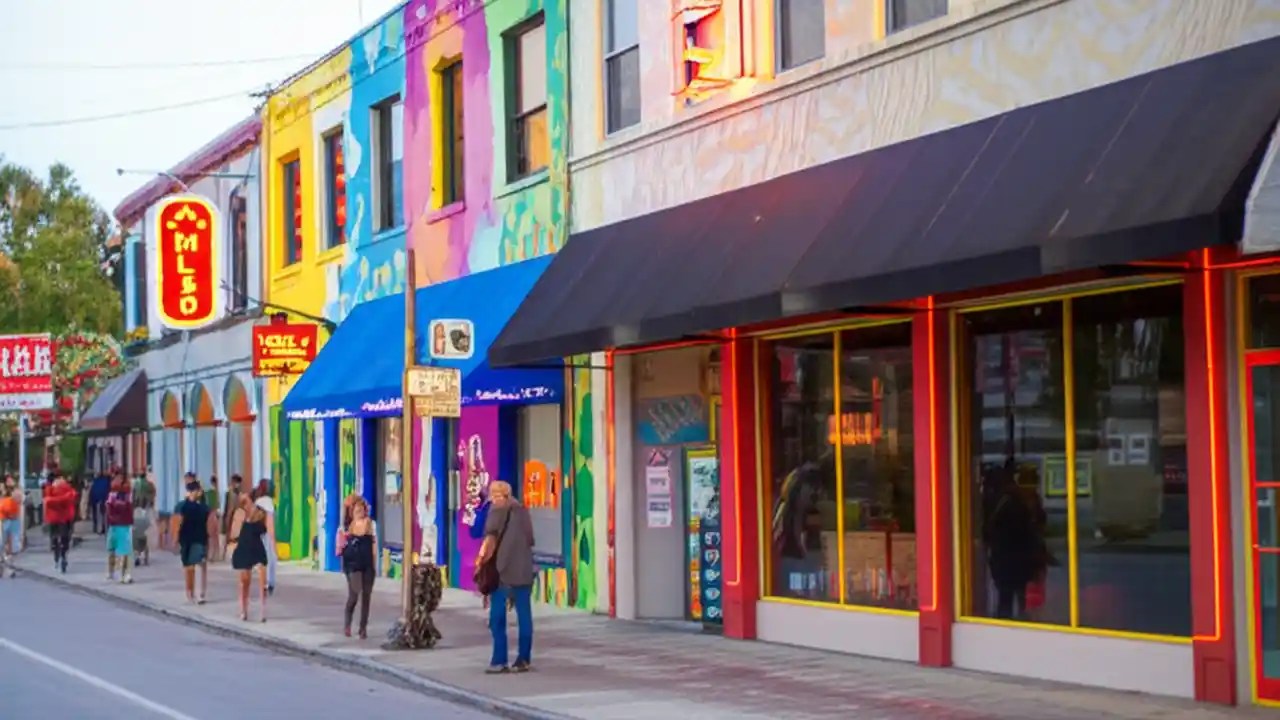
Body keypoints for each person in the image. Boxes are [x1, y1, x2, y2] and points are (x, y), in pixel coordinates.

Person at [476, 480, 535, 673]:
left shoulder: (497, 510)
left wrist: (481, 561)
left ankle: (499, 660)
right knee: (524, 617)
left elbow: (490, 540)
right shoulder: (523, 511)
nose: (492, 498)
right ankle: (524, 659)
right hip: (524, 571)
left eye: (493, 494)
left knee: (497, 619)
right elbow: (530, 539)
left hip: (503, 572)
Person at [338, 494, 377, 639]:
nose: (360, 512)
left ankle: (362, 628)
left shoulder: (370, 524)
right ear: (352, 512)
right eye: (357, 510)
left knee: (366, 596)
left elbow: (374, 545)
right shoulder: (347, 526)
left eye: (362, 510)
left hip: (367, 564)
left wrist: (374, 565)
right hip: (352, 565)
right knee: (354, 595)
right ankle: (347, 624)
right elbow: (343, 508)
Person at [231, 495, 269, 622]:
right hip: (244, 549)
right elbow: (234, 534)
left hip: (257, 550)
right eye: (245, 502)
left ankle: (263, 611)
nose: (248, 505)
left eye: (249, 501)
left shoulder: (260, 513)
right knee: (244, 582)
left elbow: (265, 529)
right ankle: (243, 610)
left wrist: (255, 516)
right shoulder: (239, 515)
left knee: (262, 581)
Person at [174, 480, 211, 604]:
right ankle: (192, 592)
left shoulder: (184, 506)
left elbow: (178, 522)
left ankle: (196, 594)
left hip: (195, 539)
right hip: (192, 539)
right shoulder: (200, 507)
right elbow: (178, 522)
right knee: (191, 567)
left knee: (195, 566)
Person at [44, 474, 77, 574]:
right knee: (64, 538)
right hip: (64, 518)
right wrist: (63, 499)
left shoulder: (50, 490)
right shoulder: (68, 491)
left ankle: (58, 557)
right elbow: (71, 498)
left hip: (55, 518)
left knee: (56, 539)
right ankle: (62, 556)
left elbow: (48, 501)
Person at [105, 475, 134, 583]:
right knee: (118, 550)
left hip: (120, 525)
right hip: (119, 525)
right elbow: (110, 511)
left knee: (121, 550)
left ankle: (122, 574)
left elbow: (109, 511)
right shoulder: (113, 497)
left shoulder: (125, 497)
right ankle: (117, 573)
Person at [253, 480, 278, 595]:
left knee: (260, 560)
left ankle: (263, 582)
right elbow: (270, 522)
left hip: (256, 533)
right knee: (270, 558)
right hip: (266, 534)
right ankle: (268, 583)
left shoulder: (257, 501)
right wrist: (273, 540)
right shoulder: (268, 502)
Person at [0, 485, 22, 578]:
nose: (19, 497)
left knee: (11, 547)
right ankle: (6, 567)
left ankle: (7, 567)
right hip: (5, 522)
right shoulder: (7, 502)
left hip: (10, 524)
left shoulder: (13, 503)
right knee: (5, 545)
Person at [133, 494, 155, 567]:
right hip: (144, 533)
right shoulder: (146, 513)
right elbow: (148, 523)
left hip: (135, 532)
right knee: (145, 546)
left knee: (136, 547)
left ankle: (137, 557)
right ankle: (145, 559)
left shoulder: (134, 511)